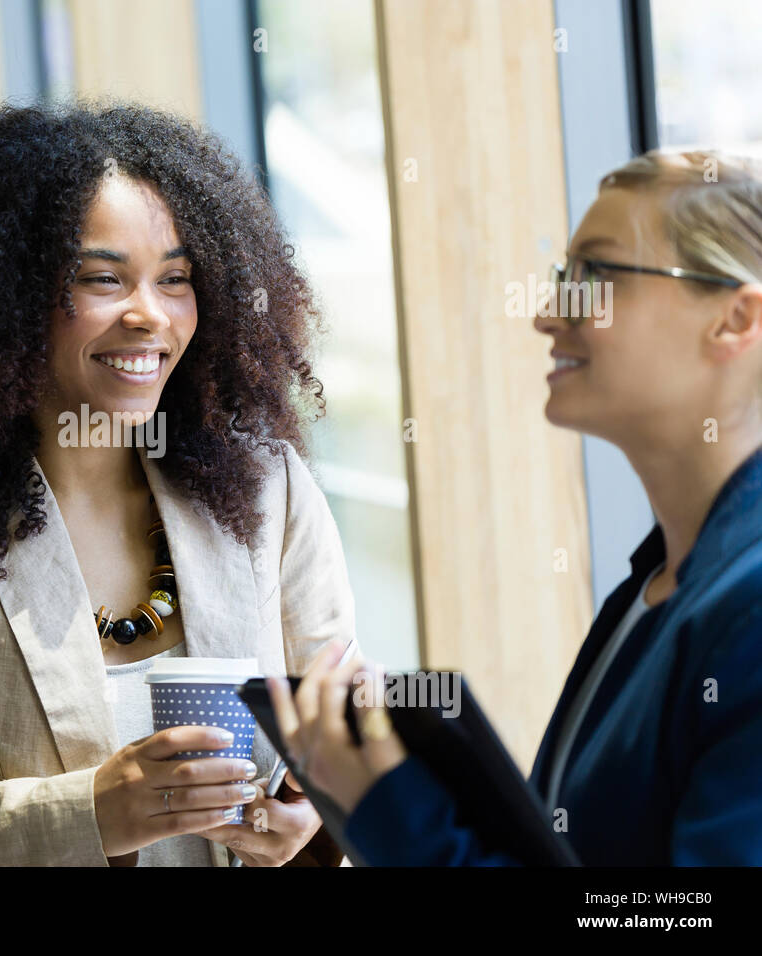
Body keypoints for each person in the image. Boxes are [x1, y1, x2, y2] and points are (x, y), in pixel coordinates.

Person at [0, 103, 356, 866]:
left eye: (175, 279)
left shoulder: (270, 494)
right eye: (104, 279)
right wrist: (91, 814)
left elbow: (350, 759)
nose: (150, 315)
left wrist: (313, 823)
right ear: (4, 299)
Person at [269, 148, 762, 866]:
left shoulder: (745, 606)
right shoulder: (657, 587)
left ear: (733, 319)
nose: (546, 314)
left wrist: (394, 809)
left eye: (596, 277)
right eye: (565, 277)